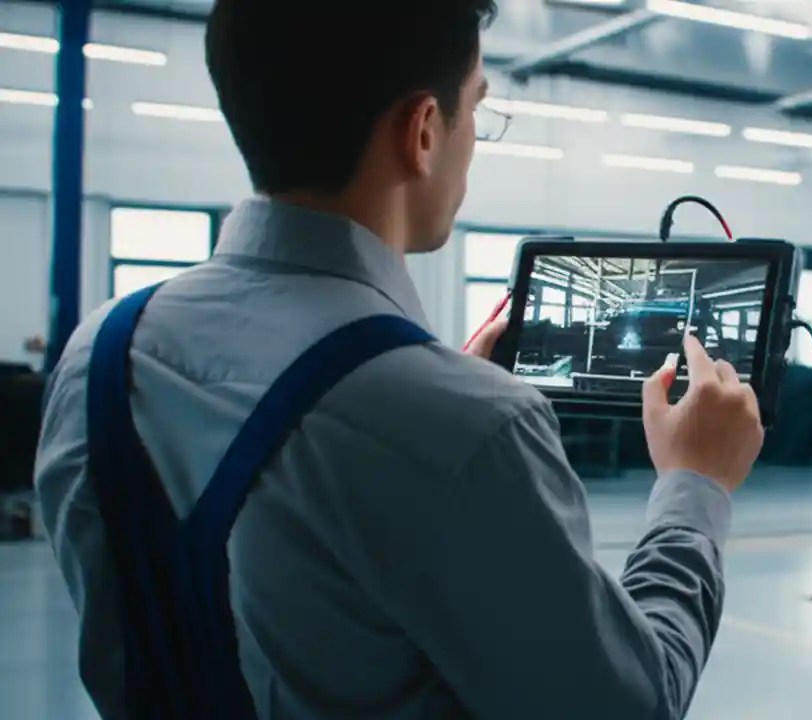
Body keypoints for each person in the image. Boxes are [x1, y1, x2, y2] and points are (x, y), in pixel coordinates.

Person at [34, 1, 765, 719]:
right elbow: (632, 706)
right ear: (422, 131)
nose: (475, 136)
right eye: (477, 109)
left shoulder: (96, 355)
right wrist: (695, 483)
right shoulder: (467, 426)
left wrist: (426, 390)